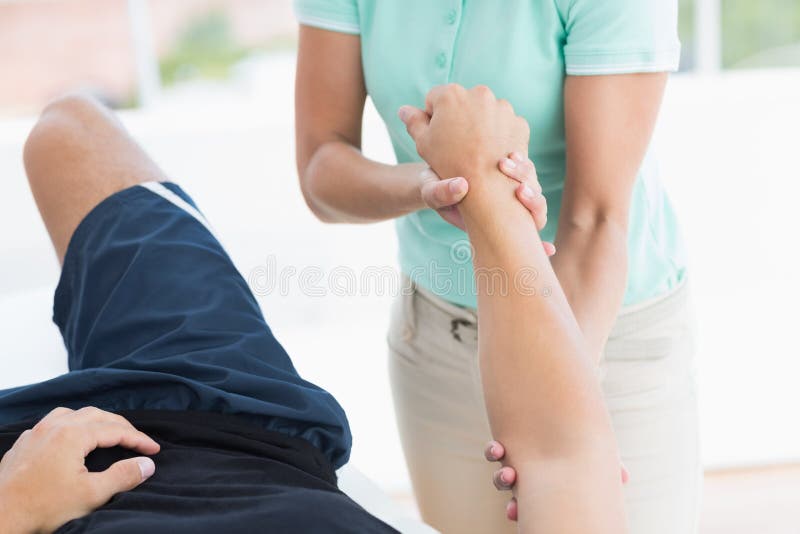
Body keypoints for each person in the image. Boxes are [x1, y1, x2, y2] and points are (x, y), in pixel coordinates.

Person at [294, 1, 700, 533]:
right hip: (438, 334)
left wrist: (560, 415)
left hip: (602, 330)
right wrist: (435, 186)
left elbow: (596, 220)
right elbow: (321, 164)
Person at [0, 94, 397, 534]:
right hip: (240, 423)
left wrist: (16, 510)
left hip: (52, 471)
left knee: (70, 125)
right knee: (71, 126)